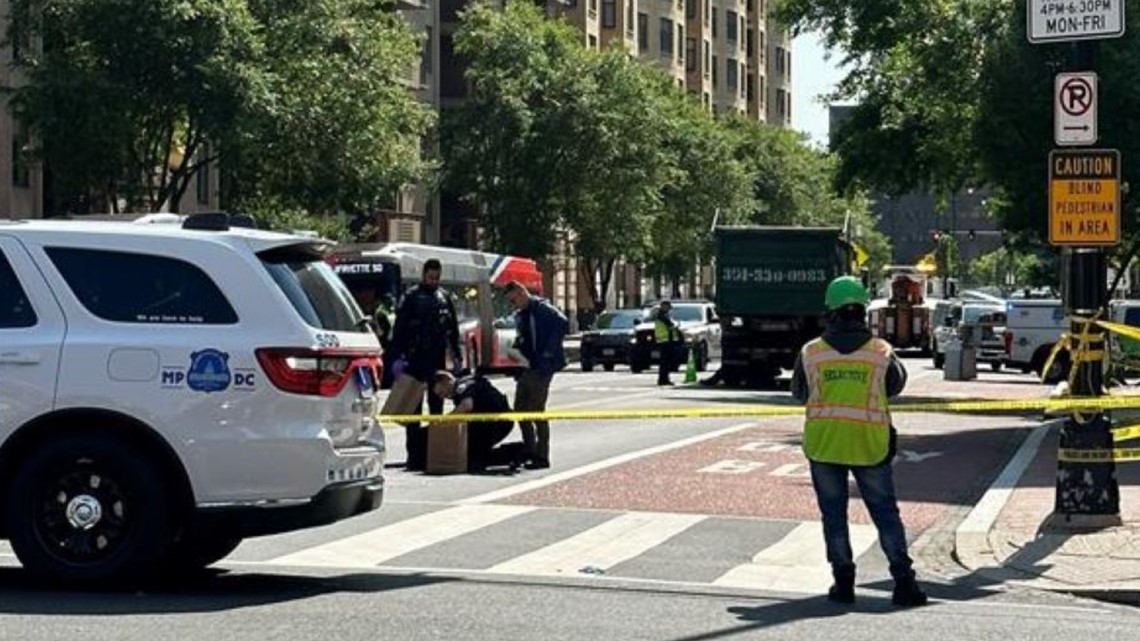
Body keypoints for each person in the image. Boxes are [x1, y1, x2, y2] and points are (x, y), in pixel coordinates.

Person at [790, 275, 928, 608]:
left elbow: (798, 393)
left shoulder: (811, 352)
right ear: (862, 311)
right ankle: (904, 583)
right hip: (870, 444)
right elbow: (895, 387)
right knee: (885, 513)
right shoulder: (881, 352)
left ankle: (843, 581)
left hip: (825, 445)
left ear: (831, 312)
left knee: (833, 515)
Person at [383, 259, 462, 471]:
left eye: (437, 278)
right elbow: (399, 330)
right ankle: (414, 456)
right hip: (415, 360)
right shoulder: (412, 297)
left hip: (436, 361)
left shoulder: (444, 297)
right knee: (413, 413)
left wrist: (457, 357)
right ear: (423, 275)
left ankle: (432, 454)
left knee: (437, 409)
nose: (433, 281)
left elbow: (452, 330)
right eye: (430, 277)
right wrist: (397, 358)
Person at [504, 280, 568, 470]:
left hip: (541, 367)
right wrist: (515, 350)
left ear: (521, 293)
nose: (513, 305)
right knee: (520, 408)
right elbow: (524, 337)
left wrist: (548, 352)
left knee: (536, 409)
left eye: (513, 300)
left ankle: (541, 455)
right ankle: (530, 449)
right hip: (527, 365)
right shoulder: (522, 315)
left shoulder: (542, 308)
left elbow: (562, 322)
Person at [431, 370, 525, 473]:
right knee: (474, 456)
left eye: (442, 392)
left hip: (496, 422)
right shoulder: (461, 387)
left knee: (476, 458)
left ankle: (517, 452)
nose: (443, 397)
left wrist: (444, 422)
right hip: (488, 422)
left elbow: (467, 406)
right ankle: (515, 452)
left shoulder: (463, 386)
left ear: (446, 381)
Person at [654, 300, 683, 386]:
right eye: (668, 307)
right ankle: (663, 380)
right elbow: (670, 326)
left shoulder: (665, 315)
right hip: (664, 341)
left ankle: (664, 379)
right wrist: (676, 326)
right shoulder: (661, 316)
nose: (669, 309)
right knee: (664, 363)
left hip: (667, 341)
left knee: (666, 362)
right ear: (663, 306)